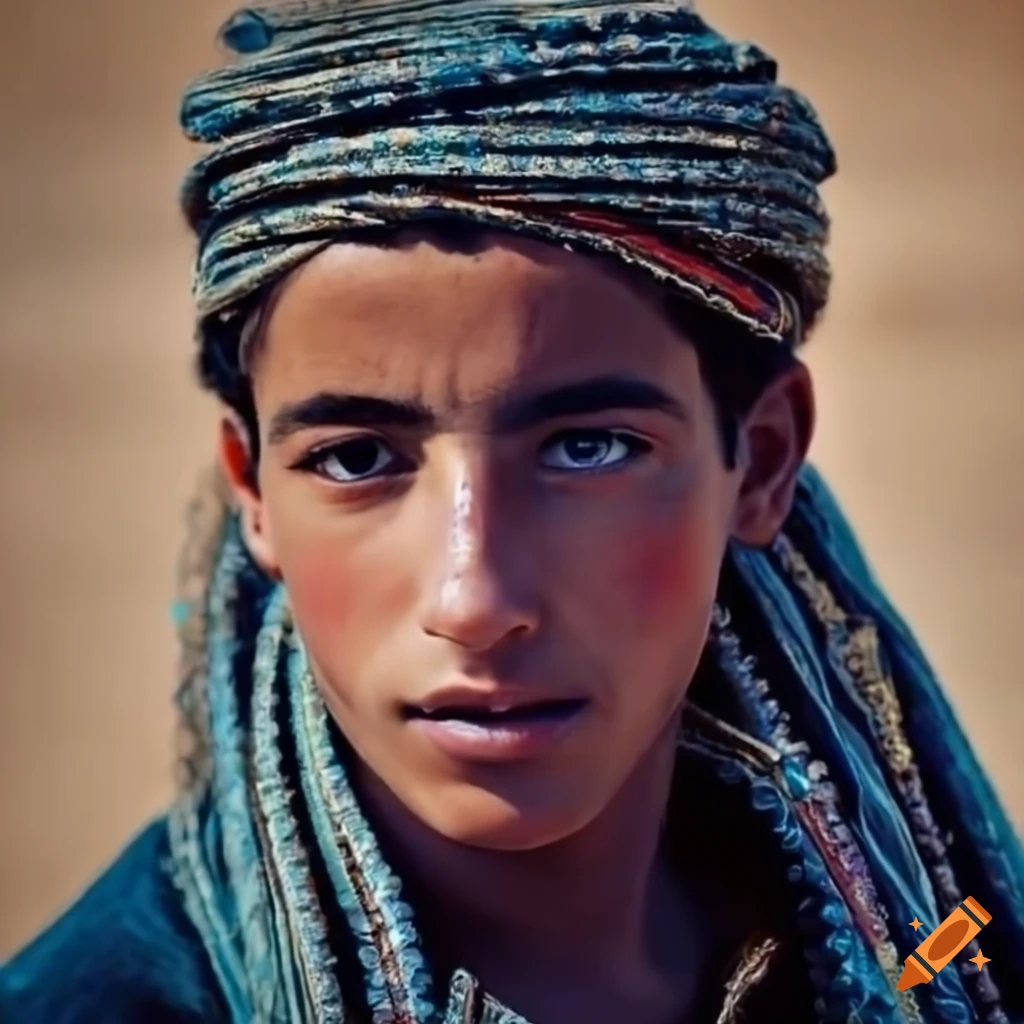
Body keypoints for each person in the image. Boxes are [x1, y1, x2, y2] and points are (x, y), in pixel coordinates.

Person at [2, 1, 1022, 1021]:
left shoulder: (934, 952)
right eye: (356, 458)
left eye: (589, 448)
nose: (475, 597)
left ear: (757, 461)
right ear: (253, 488)